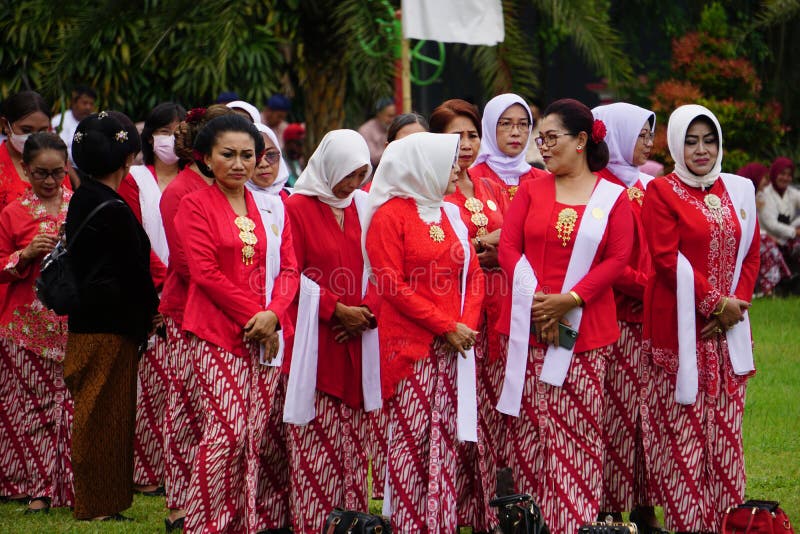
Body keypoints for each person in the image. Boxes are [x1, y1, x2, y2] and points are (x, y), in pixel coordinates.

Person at [496, 98, 633, 534]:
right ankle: (532, 523)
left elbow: (618, 258)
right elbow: (508, 247)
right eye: (541, 139)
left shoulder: (613, 197)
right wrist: (537, 299)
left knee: (579, 433)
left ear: (580, 140)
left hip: (585, 334)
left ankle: (573, 523)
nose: (543, 147)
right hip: (529, 326)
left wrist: (571, 298)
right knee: (529, 434)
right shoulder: (531, 189)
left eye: (551, 138)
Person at [176, 114, 299, 533]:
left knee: (253, 436)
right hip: (216, 333)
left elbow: (290, 269)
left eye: (248, 155)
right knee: (226, 434)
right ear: (206, 158)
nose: (239, 163)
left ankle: (244, 522)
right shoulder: (195, 204)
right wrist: (256, 316)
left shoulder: (273, 206)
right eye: (228, 154)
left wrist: (274, 315)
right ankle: (204, 525)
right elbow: (205, 272)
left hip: (267, 333)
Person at [641, 105, 759, 533]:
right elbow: (665, 259)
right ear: (676, 145)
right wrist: (714, 303)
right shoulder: (661, 191)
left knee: (726, 434)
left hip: (727, 333)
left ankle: (729, 522)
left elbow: (751, 254)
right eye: (690, 141)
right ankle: (690, 524)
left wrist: (733, 308)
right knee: (683, 438)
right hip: (681, 330)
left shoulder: (738, 189)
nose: (701, 149)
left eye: (709, 140)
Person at [364, 132, 485, 533]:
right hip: (410, 347)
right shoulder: (389, 216)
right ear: (424, 167)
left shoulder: (451, 212)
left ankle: (441, 523)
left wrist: (466, 325)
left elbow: (475, 274)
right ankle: (410, 525)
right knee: (411, 440)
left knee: (445, 437)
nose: (457, 170)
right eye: (449, 164)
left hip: (453, 346)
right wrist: (446, 326)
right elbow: (391, 285)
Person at [64, 110, 159, 521]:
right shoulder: (113, 207)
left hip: (86, 323)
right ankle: (98, 505)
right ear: (127, 158)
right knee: (103, 415)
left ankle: (99, 500)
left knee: (97, 411)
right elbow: (135, 272)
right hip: (110, 327)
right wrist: (153, 312)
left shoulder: (84, 197)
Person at [283, 129, 378, 533]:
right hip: (316, 337)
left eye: (360, 174)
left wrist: (366, 313)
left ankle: (353, 521)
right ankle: (313, 523)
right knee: (315, 440)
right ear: (328, 166)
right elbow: (289, 272)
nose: (352, 184)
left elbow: (381, 266)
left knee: (355, 442)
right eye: (346, 174)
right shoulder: (296, 207)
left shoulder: (365, 205)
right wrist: (335, 310)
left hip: (359, 336)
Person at [430, 98, 509, 533]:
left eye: (472, 135)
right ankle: (456, 510)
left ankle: (489, 514)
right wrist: (480, 248)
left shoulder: (490, 186)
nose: (465, 144)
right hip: (456, 314)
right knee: (459, 417)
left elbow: (513, 238)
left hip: (498, 313)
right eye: (455, 136)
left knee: (493, 418)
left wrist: (499, 246)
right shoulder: (432, 187)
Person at [158, 104, 234, 532]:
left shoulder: (230, 188)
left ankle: (220, 498)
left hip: (230, 309)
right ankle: (180, 504)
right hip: (190, 309)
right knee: (189, 407)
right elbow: (188, 264)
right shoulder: (181, 191)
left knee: (220, 413)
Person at [591, 102, 663, 531]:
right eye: (640, 134)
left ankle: (644, 501)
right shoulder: (599, 187)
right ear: (617, 135)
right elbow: (605, 259)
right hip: (616, 318)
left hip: (652, 320)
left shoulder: (651, 185)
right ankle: (610, 504)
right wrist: (651, 288)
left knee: (647, 417)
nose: (648, 142)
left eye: (650, 134)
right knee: (616, 416)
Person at [0, 132, 74, 513]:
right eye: (41, 173)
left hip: (73, 326)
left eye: (57, 173)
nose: (49, 181)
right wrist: (25, 254)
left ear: (67, 169)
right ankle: (38, 489)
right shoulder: (12, 213)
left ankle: (68, 488)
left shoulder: (80, 207)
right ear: (26, 170)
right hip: (25, 328)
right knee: (31, 411)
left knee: (69, 409)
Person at [116, 102, 186, 497]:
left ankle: (178, 467)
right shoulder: (136, 179)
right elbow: (134, 236)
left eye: (178, 132)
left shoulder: (197, 179)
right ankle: (146, 470)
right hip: (152, 293)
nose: (170, 140)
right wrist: (161, 286)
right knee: (153, 386)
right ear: (149, 136)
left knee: (183, 386)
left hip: (192, 294)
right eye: (164, 132)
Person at [470, 93, 548, 202]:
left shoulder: (544, 180)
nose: (515, 132)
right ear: (490, 127)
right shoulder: (471, 179)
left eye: (523, 124)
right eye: (506, 124)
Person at [738, 162, 791, 296]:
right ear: (755, 177)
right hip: (741, 238)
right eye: (764, 178)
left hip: (754, 235)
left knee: (769, 244)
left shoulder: (757, 196)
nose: (767, 182)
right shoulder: (739, 196)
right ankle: (768, 287)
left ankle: (773, 285)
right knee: (768, 246)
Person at [758, 157, 800, 277]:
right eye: (782, 174)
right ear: (775, 173)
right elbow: (771, 225)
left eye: (789, 175)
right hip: (769, 240)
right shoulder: (764, 194)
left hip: (786, 238)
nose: (785, 178)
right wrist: (795, 232)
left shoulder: (791, 193)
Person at [51, 85, 96, 166]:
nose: (88, 107)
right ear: (74, 103)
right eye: (85, 103)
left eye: (91, 104)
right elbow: (59, 151)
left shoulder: (97, 120)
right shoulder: (59, 121)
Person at [248, 123, 291, 200]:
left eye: (271, 154)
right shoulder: (236, 203)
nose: (264, 164)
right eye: (256, 156)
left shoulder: (293, 198)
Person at [358, 97, 396, 168]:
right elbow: (372, 158)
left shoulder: (394, 128)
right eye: (390, 116)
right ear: (379, 114)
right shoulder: (366, 130)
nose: (392, 119)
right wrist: (394, 151)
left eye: (394, 116)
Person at [283, 123, 306, 187]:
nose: (301, 148)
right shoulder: (280, 163)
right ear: (288, 143)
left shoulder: (296, 160)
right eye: (298, 144)